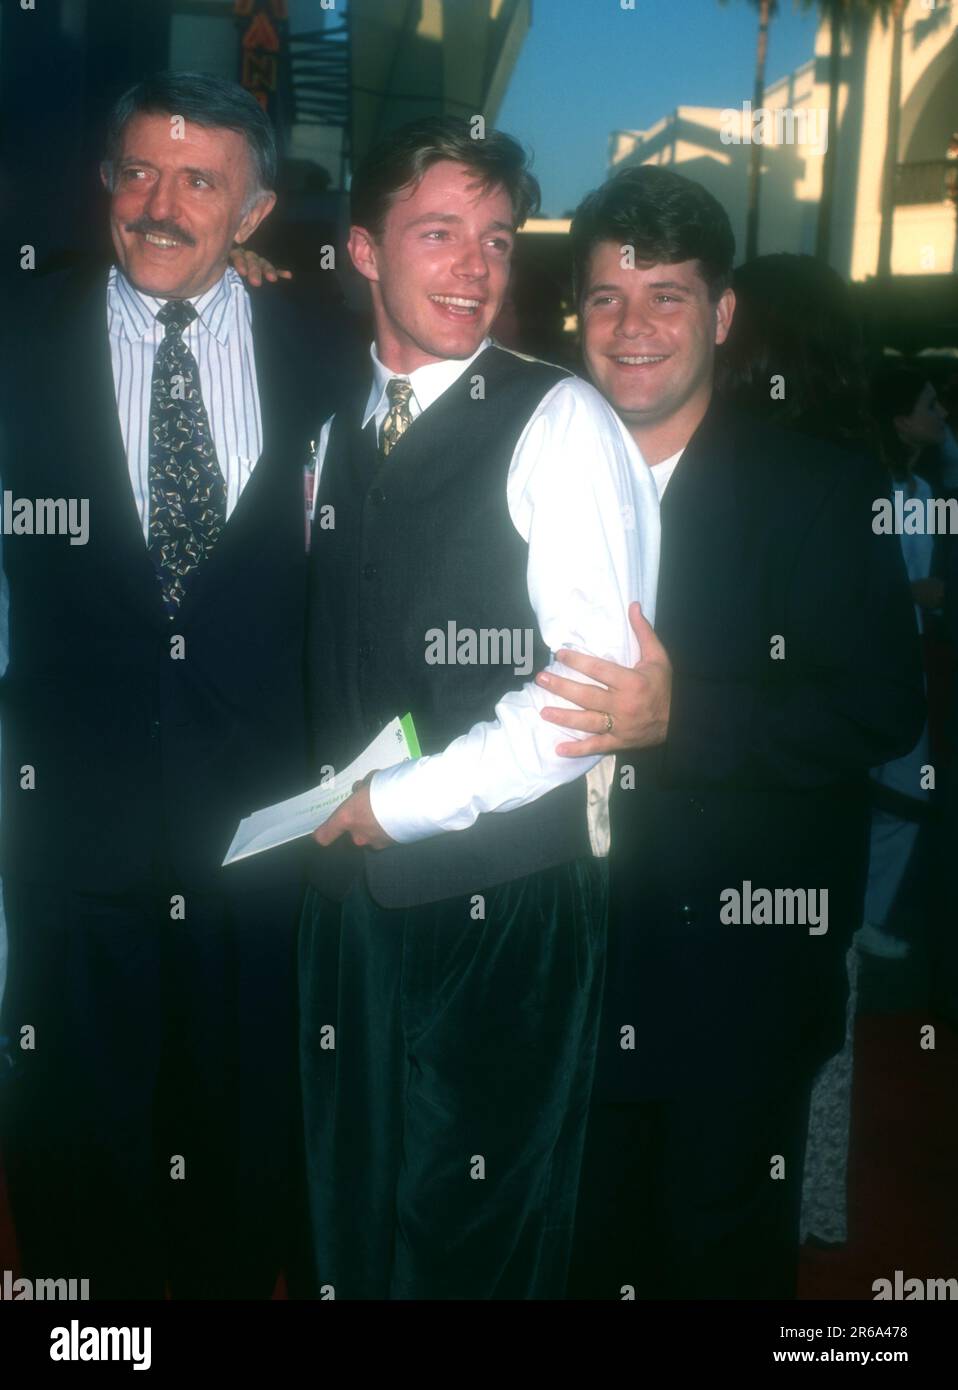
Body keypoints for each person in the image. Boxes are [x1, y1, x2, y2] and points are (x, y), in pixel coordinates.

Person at [533, 166, 925, 1299]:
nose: (634, 325)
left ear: (722, 313)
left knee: (714, 1256)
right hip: (560, 964)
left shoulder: (815, 485)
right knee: (576, 1250)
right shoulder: (530, 467)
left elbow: (881, 707)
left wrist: (684, 714)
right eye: (607, 297)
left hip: (736, 978)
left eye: (668, 294)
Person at [297, 116, 660, 1300]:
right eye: (438, 232)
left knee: (474, 1232)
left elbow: (585, 703)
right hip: (351, 893)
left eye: (496, 239)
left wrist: (394, 805)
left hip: (501, 904)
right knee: (353, 1199)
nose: (474, 267)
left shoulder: (559, 420)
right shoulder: (332, 427)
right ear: (362, 250)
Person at [0, 71, 347, 1299]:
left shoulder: (335, 347)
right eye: (138, 172)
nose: (160, 202)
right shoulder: (15, 339)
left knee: (242, 1138)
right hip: (67, 841)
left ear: (253, 215)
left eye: (199, 180)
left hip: (263, 846)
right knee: (74, 1138)